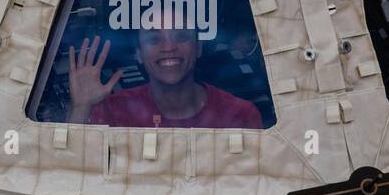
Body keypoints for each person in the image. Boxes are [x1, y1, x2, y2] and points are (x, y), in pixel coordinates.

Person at [66, 29, 262, 129]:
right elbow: (72, 170)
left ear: (198, 48)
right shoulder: (113, 110)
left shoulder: (240, 114)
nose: (168, 47)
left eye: (181, 36)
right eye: (154, 39)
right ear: (139, 54)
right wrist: (81, 108)